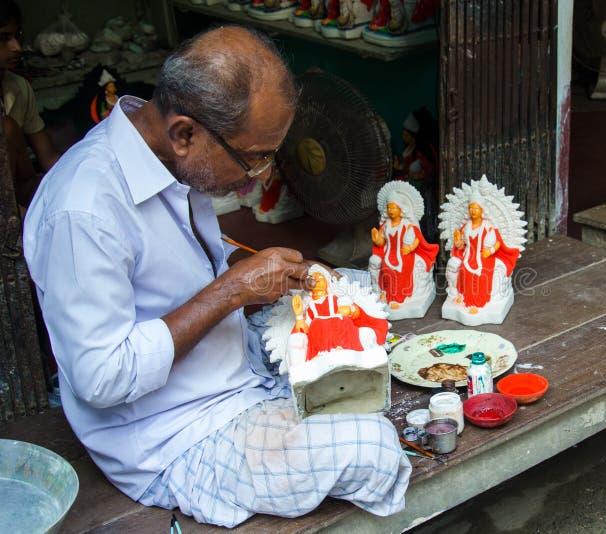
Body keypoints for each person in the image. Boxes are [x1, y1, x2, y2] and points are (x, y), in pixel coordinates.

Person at [23, 25, 410, 528]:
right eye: (255, 158)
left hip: (236, 375)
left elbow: (176, 269)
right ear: (185, 133)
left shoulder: (170, 158)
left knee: (365, 359)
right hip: (174, 431)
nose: (263, 175)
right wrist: (232, 290)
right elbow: (101, 376)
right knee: (372, 447)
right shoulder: (83, 210)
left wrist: (266, 275)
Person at [0, 0, 60, 207]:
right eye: (4, 38)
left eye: (17, 36)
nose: (16, 47)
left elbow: (48, 158)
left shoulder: (19, 87)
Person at [369, 181, 438, 315]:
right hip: (389, 253)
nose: (391, 211)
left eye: (394, 208)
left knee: (400, 271)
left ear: (401, 209)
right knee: (386, 268)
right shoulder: (386, 225)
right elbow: (382, 241)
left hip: (405, 254)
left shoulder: (407, 224)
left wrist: (411, 247)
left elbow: (417, 238)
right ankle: (387, 293)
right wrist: (377, 238)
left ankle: (398, 298)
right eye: (389, 208)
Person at [291, 265, 388, 360]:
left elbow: (356, 311)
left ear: (327, 282)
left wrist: (350, 310)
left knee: (342, 322)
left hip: (339, 324)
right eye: (313, 278)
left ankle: (342, 347)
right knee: (317, 325)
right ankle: (322, 352)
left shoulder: (336, 298)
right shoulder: (310, 306)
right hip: (320, 331)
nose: (316, 280)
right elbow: (305, 328)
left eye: (320, 277)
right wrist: (299, 317)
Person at [451, 198, 520, 313]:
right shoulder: (466, 226)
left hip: (485, 256)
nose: (473, 211)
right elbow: (462, 245)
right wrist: (458, 242)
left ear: (482, 210)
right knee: (464, 269)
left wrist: (491, 250)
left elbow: (498, 242)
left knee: (481, 273)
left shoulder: (487, 226)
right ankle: (464, 296)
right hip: (469, 255)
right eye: (471, 208)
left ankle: (477, 302)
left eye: (476, 208)